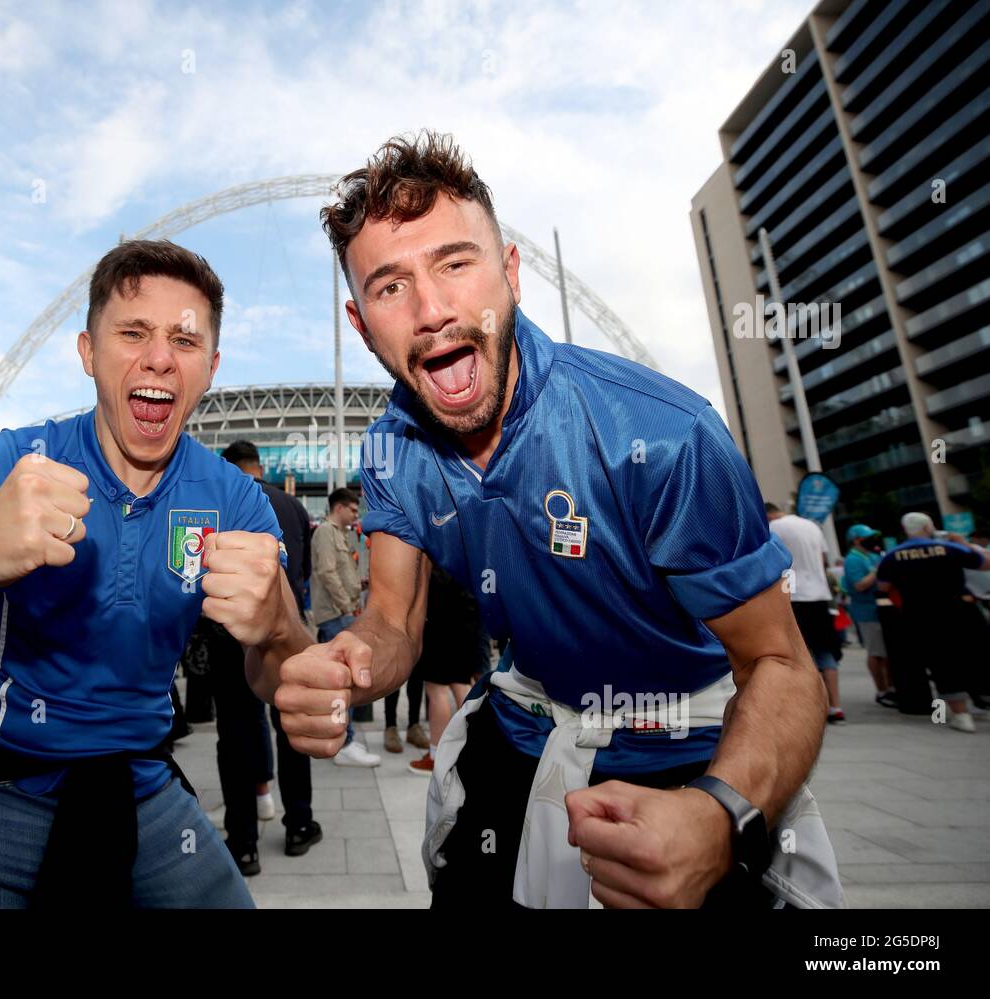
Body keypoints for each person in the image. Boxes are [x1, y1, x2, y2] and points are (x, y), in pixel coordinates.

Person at [271, 131, 841, 909]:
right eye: (391, 285)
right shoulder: (390, 447)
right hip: (526, 725)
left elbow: (784, 667)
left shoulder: (663, 434)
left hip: (694, 743)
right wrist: (342, 665)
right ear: (360, 320)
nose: (432, 309)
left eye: (455, 263)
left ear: (509, 274)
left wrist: (720, 815)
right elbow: (393, 622)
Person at [0, 239, 315, 909]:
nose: (159, 356)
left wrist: (279, 628)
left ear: (211, 366)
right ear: (87, 351)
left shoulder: (235, 497)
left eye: (184, 341)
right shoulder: (3, 468)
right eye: (132, 332)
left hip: (140, 784)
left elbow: (287, 680)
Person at [212, 440, 323, 875]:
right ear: (259, 466)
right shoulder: (292, 507)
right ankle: (299, 823)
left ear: (229, 468)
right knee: (292, 727)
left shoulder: (217, 504)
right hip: (284, 632)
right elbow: (305, 572)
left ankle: (243, 844)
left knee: (236, 734)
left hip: (229, 631)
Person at [876, 512, 990, 734]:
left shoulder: (893, 555)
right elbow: (985, 563)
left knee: (940, 662)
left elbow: (882, 586)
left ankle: (959, 714)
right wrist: (963, 542)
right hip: (959, 609)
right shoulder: (949, 548)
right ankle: (981, 698)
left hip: (920, 615)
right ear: (928, 526)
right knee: (975, 655)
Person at [309, 486, 379, 766]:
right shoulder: (326, 532)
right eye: (352, 508)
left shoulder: (339, 534)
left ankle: (344, 738)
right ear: (339, 507)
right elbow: (327, 572)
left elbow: (339, 571)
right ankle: (344, 743)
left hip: (341, 612)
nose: (355, 513)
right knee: (341, 682)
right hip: (336, 614)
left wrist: (355, 588)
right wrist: (345, 605)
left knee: (343, 681)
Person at [766, 502, 843, 723]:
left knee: (798, 653)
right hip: (819, 595)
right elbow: (823, 561)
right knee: (825, 651)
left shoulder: (774, 529)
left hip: (793, 596)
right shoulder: (812, 526)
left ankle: (808, 708)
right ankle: (836, 706)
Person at [407, 565, 485, 774]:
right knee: (461, 683)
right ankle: (474, 749)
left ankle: (436, 755)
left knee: (437, 690)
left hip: (441, 618)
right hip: (465, 617)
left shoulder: (438, 545)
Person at [842, 524, 895, 708]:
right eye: (868, 537)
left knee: (887, 653)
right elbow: (859, 585)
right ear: (857, 540)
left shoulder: (872, 555)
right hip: (866, 612)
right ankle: (882, 691)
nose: (873, 540)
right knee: (876, 653)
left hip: (882, 610)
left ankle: (891, 687)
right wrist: (876, 571)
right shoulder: (852, 560)